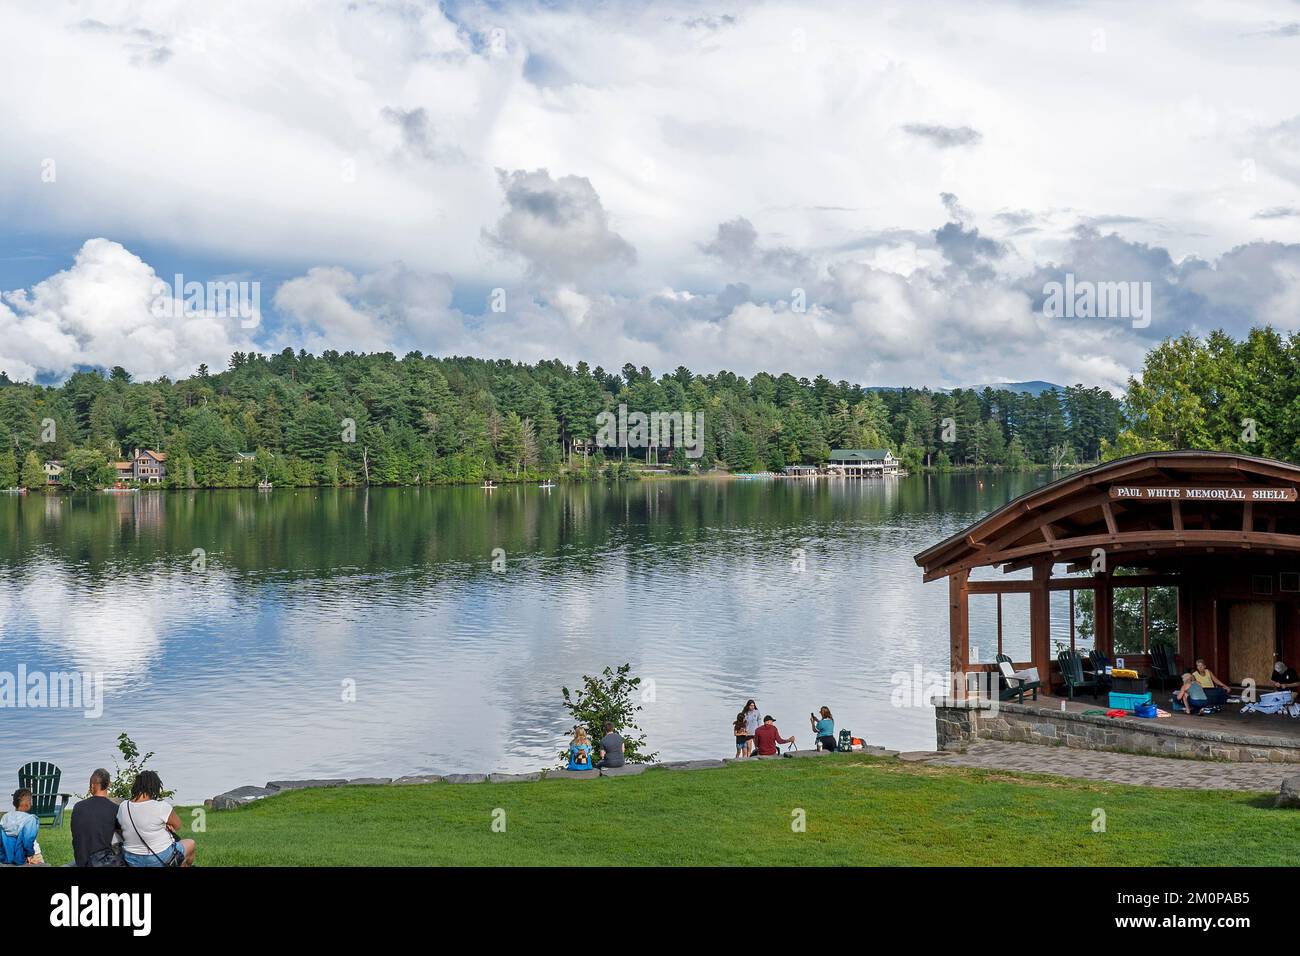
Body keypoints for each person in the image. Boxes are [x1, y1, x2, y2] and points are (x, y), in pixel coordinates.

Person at [118, 771, 195, 867]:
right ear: (155, 787)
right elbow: (177, 826)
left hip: (131, 859)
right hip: (159, 857)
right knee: (191, 843)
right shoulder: (161, 806)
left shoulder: (123, 806)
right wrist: (166, 824)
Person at [72, 768, 121, 867]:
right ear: (108, 785)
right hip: (101, 862)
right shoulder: (114, 808)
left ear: (92, 785)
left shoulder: (78, 806)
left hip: (81, 861)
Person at [0, 789, 41, 866]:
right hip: (24, 857)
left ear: (14, 803)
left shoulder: (5, 817)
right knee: (40, 860)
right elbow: (28, 840)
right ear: (28, 804)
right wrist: (30, 855)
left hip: (5, 857)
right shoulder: (30, 819)